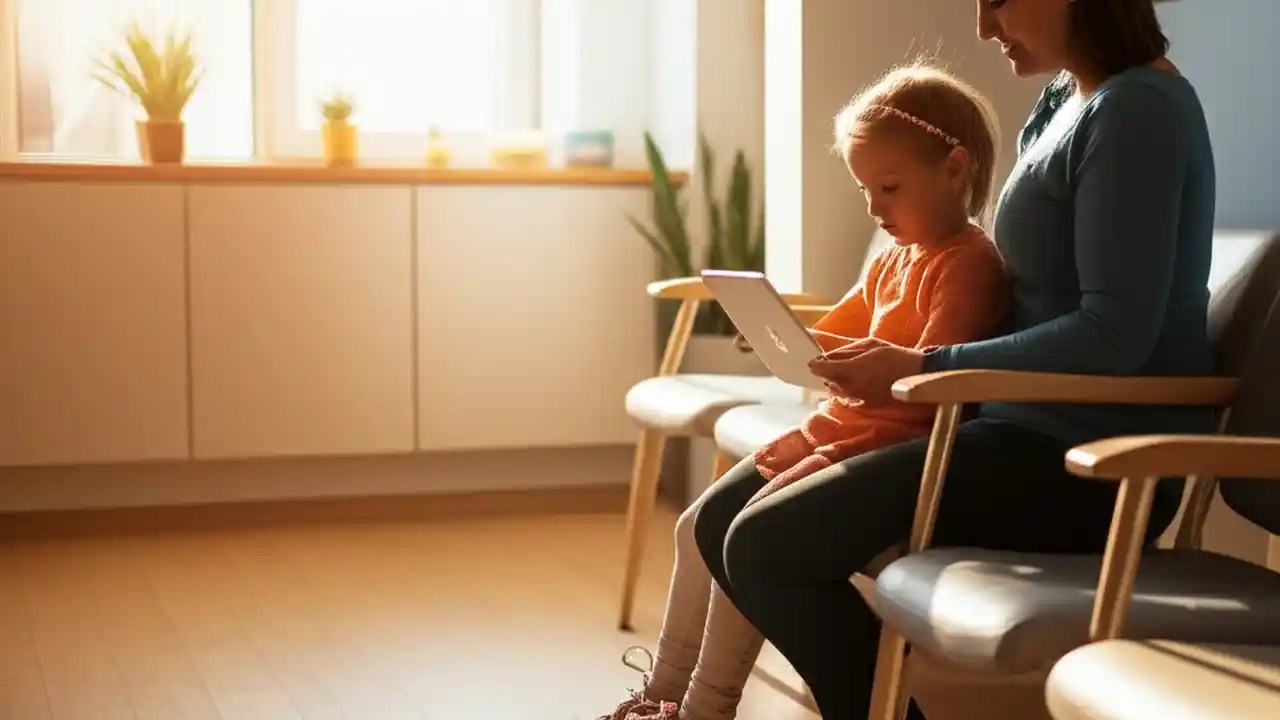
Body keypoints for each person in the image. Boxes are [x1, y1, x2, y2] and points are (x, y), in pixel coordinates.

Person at [692, 0, 1217, 718]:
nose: (983, 26)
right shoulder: (1069, 98)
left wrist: (927, 363)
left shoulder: (1139, 112)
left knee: (765, 548)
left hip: (1087, 467)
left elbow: (1114, 333)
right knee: (722, 522)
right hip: (1006, 433)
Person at [598, 64, 1011, 720]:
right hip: (836, 433)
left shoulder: (968, 263)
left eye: (890, 187)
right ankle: (662, 693)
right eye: (865, 190)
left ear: (955, 169)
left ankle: (705, 706)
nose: (875, 208)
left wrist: (864, 367)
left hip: (882, 448)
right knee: (695, 528)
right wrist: (775, 336)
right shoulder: (890, 260)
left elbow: (935, 379)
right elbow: (830, 338)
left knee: (743, 543)